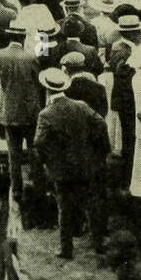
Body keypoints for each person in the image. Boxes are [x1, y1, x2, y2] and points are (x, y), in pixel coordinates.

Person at [34, 67, 110, 259]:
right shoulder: (82, 106)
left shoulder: (46, 114)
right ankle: (98, 243)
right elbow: (101, 124)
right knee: (91, 203)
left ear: (47, 89)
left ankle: (66, 249)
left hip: (62, 170)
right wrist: (95, 150)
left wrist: (50, 160)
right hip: (86, 164)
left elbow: (39, 143)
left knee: (65, 208)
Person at [0, 20, 43, 201]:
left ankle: (16, 189)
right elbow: (38, 81)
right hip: (29, 111)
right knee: (33, 151)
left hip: (7, 110)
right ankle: (39, 188)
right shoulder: (30, 57)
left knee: (13, 153)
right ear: (23, 37)